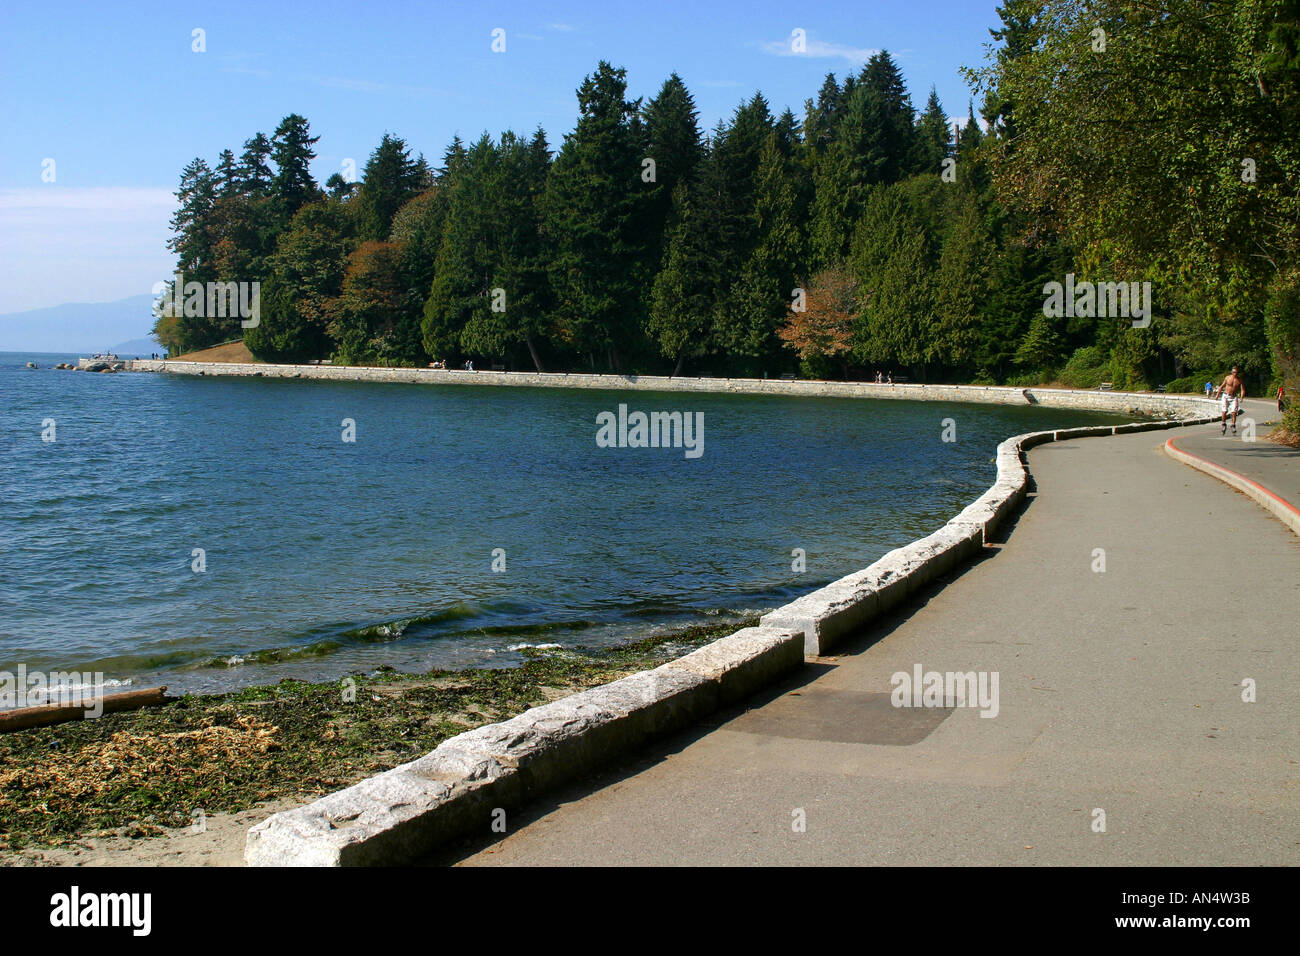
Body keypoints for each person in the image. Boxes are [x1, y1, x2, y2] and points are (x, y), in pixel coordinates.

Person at [1218, 365, 1246, 434]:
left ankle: (1233, 425)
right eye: (1234, 372)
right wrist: (1217, 395)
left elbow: (1243, 390)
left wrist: (1241, 398)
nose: (1235, 374)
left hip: (1234, 397)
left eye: (1236, 372)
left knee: (1234, 412)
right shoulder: (1227, 378)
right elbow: (1222, 386)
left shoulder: (1239, 380)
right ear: (1231, 372)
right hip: (1225, 395)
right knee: (1224, 411)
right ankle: (1224, 424)